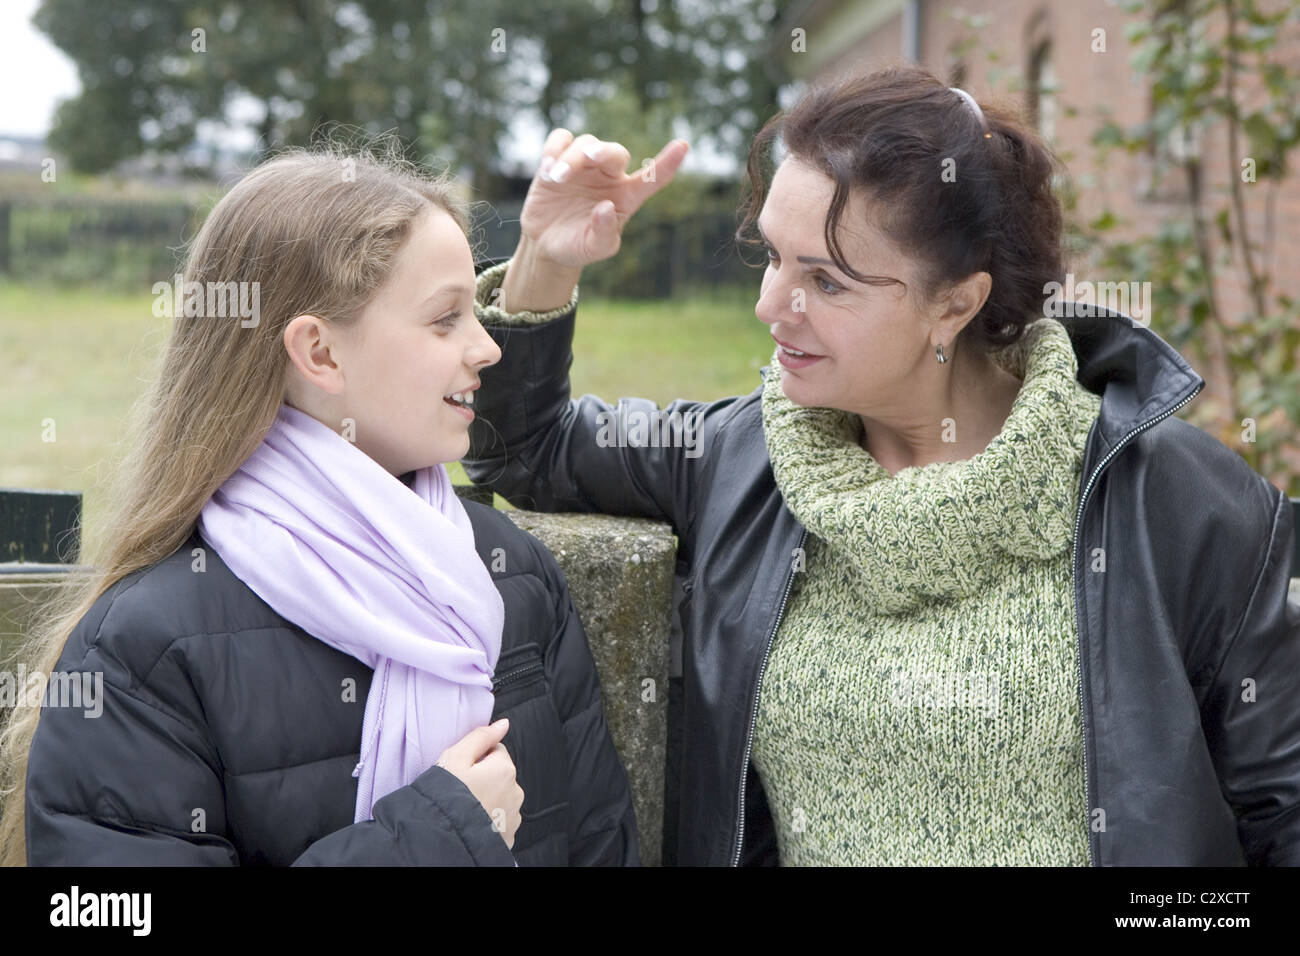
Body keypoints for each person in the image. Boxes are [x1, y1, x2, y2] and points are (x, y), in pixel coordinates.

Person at [462, 64, 1300, 866]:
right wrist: (546, 254)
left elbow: (1284, 810)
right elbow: (524, 443)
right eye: (772, 256)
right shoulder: (738, 459)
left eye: (826, 282)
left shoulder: (1175, 500)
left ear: (956, 303)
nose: (768, 307)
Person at [0, 143, 638, 867]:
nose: (486, 347)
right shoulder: (143, 651)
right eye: (445, 319)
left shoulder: (511, 575)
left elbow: (599, 846)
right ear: (321, 353)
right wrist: (435, 840)